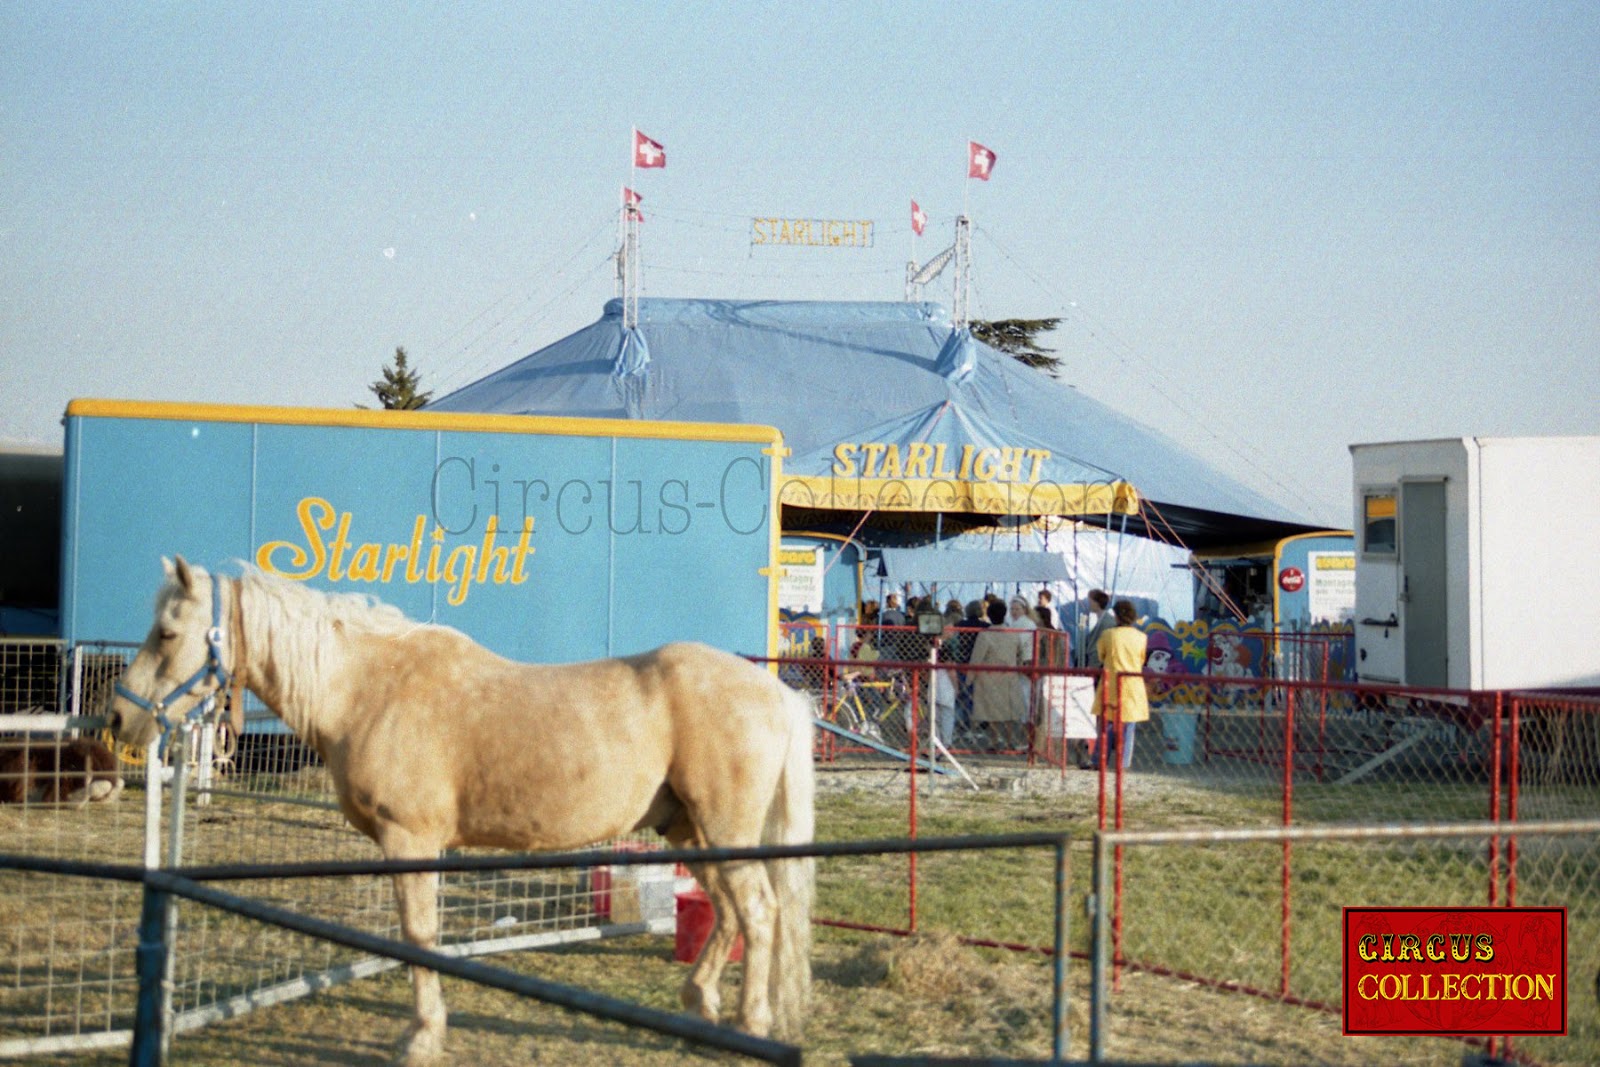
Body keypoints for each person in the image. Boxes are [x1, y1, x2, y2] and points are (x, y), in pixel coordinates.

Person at [1088, 599, 1149, 770]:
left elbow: (1101, 655)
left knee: (1107, 724)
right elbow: (1142, 659)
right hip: (1133, 684)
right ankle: (1123, 764)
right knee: (1129, 727)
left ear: (1116, 616)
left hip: (1112, 682)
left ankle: (1099, 760)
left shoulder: (1108, 635)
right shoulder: (1141, 637)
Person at [968, 598, 1035, 751]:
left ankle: (994, 741)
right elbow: (1020, 654)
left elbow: (977, 658)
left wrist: (969, 678)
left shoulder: (985, 635)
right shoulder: (1013, 634)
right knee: (1009, 712)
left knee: (992, 712)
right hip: (1010, 676)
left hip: (989, 678)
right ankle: (1009, 740)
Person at [1082, 589, 1114, 668]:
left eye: (1090, 602)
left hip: (1099, 662)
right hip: (1094, 660)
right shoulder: (1098, 619)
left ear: (1096, 603)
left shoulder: (1108, 622)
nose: (1089, 604)